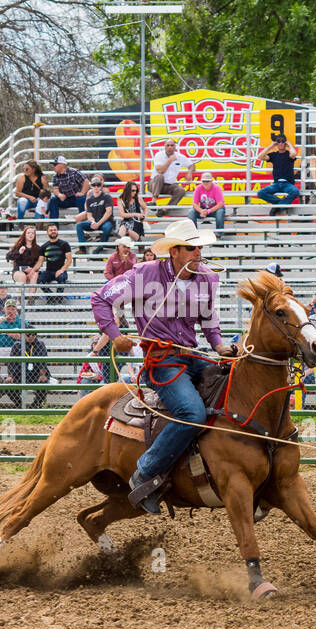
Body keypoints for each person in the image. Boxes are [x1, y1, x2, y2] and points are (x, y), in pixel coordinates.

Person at [89, 219, 235, 513]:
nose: (199, 254)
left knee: (233, 393)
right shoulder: (144, 274)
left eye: (200, 248)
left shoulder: (207, 278)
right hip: (161, 361)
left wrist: (219, 345)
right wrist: (115, 336)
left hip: (193, 356)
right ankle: (145, 472)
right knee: (191, 412)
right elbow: (101, 298)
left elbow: (209, 320)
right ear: (175, 251)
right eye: (192, 249)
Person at [255, 133, 300, 207]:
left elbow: (294, 154)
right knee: (261, 193)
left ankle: (278, 207)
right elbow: (260, 156)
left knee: (295, 192)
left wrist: (289, 143)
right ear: (277, 143)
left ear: (285, 143)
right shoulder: (274, 155)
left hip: (288, 184)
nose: (281, 143)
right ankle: (281, 205)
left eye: (283, 141)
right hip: (276, 184)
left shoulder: (289, 154)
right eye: (279, 141)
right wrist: (272, 145)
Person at [147, 140, 195, 206]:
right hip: (154, 184)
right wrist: (170, 160)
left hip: (168, 185)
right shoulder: (159, 155)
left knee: (181, 190)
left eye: (172, 145)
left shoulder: (179, 156)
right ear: (164, 146)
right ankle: (153, 201)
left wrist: (189, 172)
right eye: (168, 145)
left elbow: (192, 165)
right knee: (160, 177)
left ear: (175, 147)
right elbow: (160, 171)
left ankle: (165, 209)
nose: (170, 147)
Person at [74, 176, 115, 253]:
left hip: (105, 222)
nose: (96, 187)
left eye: (98, 185)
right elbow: (89, 215)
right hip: (94, 221)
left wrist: (98, 223)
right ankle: (82, 248)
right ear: (91, 186)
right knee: (79, 225)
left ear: (101, 186)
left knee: (108, 227)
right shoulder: (89, 200)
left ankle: (100, 247)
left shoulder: (107, 197)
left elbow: (108, 212)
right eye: (94, 185)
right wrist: (93, 222)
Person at [35, 223, 73, 302]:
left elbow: (69, 260)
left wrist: (61, 270)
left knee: (61, 277)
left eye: (55, 230)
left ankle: (59, 298)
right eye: (51, 230)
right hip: (49, 271)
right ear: (47, 233)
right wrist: (32, 271)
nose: (53, 232)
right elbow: (40, 262)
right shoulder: (44, 246)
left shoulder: (64, 244)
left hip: (60, 270)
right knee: (40, 280)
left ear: (57, 231)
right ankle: (51, 297)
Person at [47, 155, 86, 220]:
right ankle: (53, 225)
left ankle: (83, 223)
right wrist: (59, 195)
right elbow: (55, 189)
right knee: (53, 200)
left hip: (76, 198)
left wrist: (82, 192)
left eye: (55, 165)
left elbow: (85, 181)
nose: (53, 167)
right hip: (65, 199)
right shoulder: (55, 176)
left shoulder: (74, 172)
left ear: (62, 165)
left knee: (81, 198)